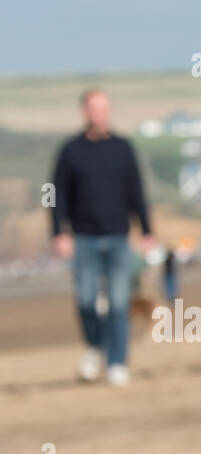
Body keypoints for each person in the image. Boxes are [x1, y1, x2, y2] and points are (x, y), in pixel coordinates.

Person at [50, 89, 155, 385]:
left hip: (119, 238)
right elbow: (54, 194)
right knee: (86, 301)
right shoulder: (70, 151)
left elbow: (137, 191)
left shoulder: (123, 148)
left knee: (120, 303)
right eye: (94, 109)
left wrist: (147, 230)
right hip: (83, 239)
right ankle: (94, 348)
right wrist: (58, 232)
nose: (100, 114)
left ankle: (117, 362)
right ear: (84, 112)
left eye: (104, 108)